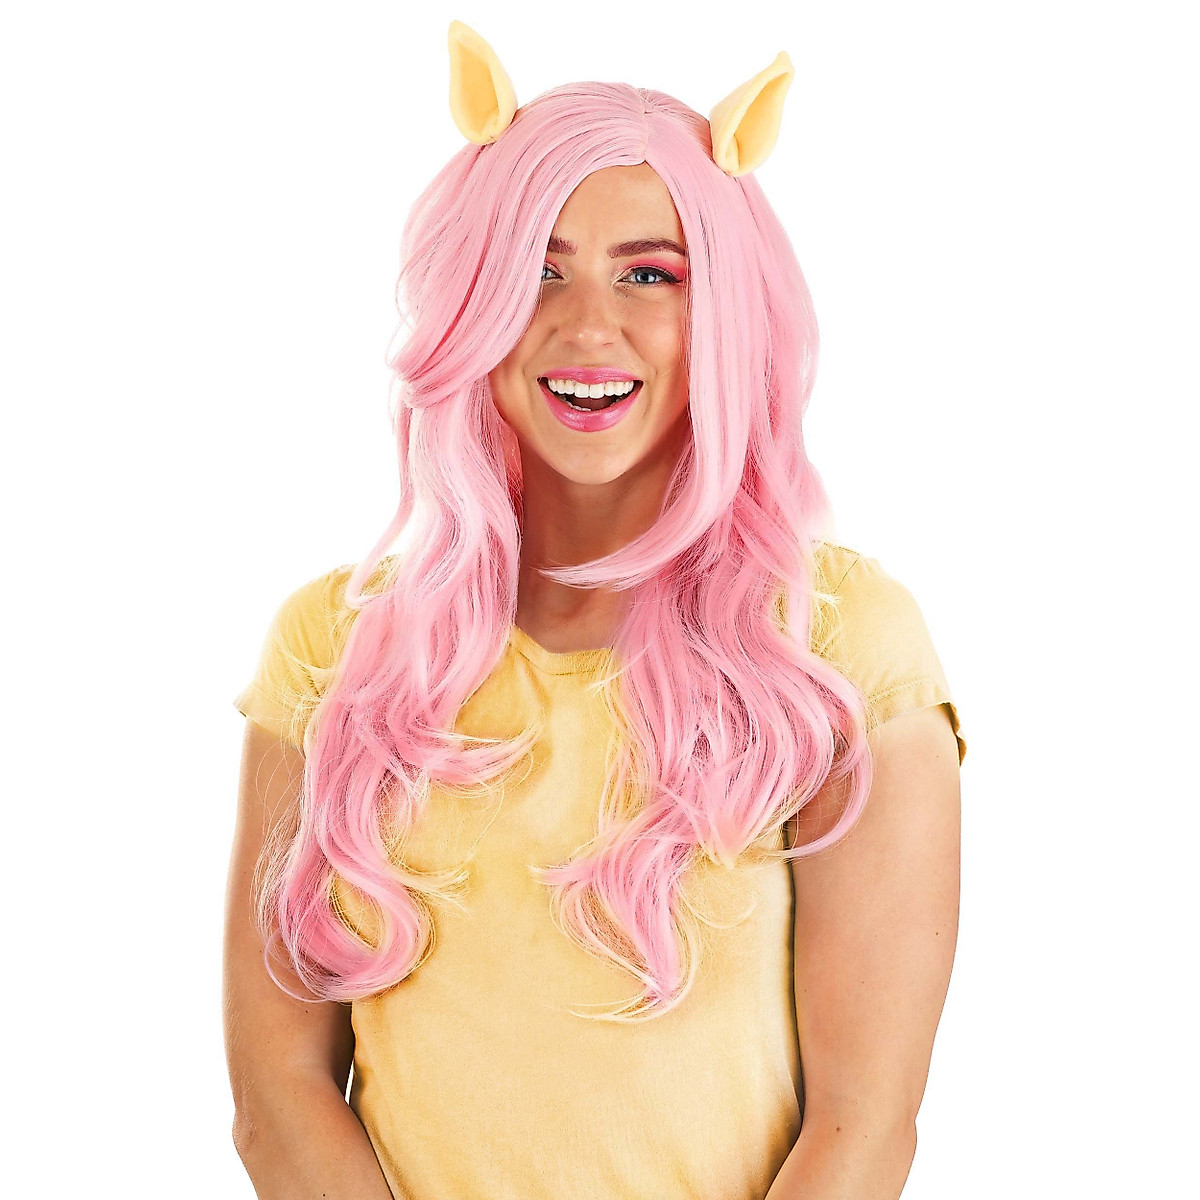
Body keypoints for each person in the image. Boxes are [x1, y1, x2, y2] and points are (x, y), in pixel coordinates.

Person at [223, 20, 966, 1200]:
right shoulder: (336, 649)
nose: (585, 326)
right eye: (537, 268)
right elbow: (279, 1099)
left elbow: (864, 1127)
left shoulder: (836, 648)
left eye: (650, 273)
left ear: (729, 309)